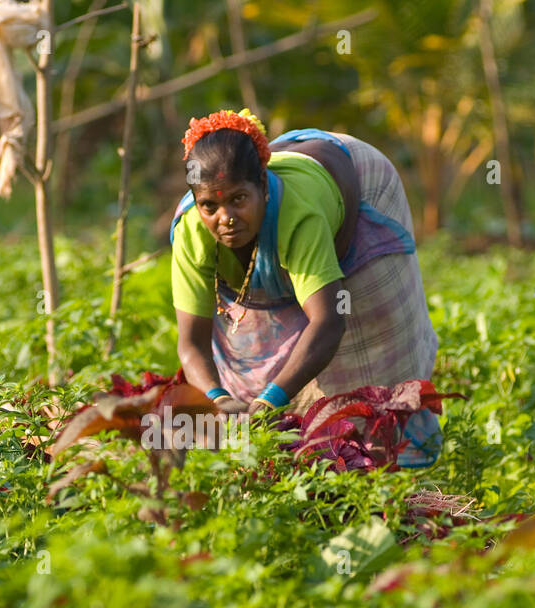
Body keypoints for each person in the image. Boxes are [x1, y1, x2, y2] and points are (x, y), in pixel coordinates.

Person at [170, 109, 443, 468]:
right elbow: (191, 343)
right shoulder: (191, 232)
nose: (226, 218)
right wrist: (218, 399)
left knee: (370, 372)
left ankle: (388, 479)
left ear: (264, 188)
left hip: (360, 182)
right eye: (210, 206)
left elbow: (329, 322)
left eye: (238, 200)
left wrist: (269, 401)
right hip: (293, 177)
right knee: (252, 369)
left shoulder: (299, 216)